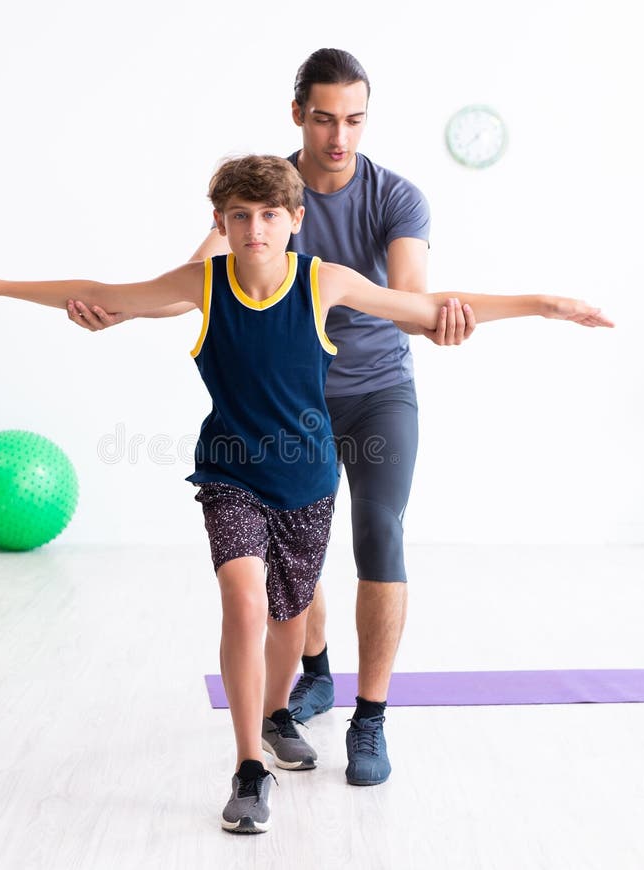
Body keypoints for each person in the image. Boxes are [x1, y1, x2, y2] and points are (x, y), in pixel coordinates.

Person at [0, 155, 612, 833]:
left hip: (307, 484)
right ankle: (249, 767)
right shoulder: (203, 282)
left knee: (288, 623)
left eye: (270, 215)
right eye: (241, 216)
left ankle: (278, 715)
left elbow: (425, 305)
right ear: (221, 221)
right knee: (246, 605)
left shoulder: (324, 282)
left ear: (294, 221)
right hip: (230, 476)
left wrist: (545, 306)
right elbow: (107, 290)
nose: (255, 229)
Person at [64, 47, 478, 787]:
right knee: (292, 548)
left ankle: (371, 717)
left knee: (379, 531)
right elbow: (201, 274)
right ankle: (306, 678)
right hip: (292, 401)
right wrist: (116, 313)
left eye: (354, 120)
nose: (339, 137)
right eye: (324, 119)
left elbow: (414, 297)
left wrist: (446, 317)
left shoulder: (396, 196)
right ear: (299, 115)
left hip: (377, 387)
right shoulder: (269, 190)